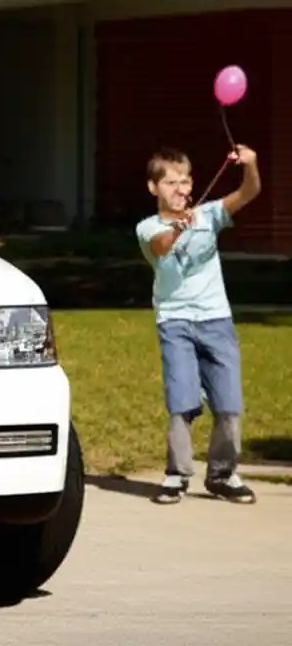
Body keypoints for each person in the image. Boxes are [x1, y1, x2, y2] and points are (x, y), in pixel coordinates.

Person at [135, 144, 261, 505]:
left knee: (229, 403)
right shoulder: (148, 227)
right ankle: (176, 475)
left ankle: (222, 475)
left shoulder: (209, 215)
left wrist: (250, 165)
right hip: (175, 322)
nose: (180, 189)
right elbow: (161, 246)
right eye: (170, 183)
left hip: (216, 319)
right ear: (153, 188)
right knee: (182, 401)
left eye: (185, 182)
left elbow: (249, 192)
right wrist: (178, 228)